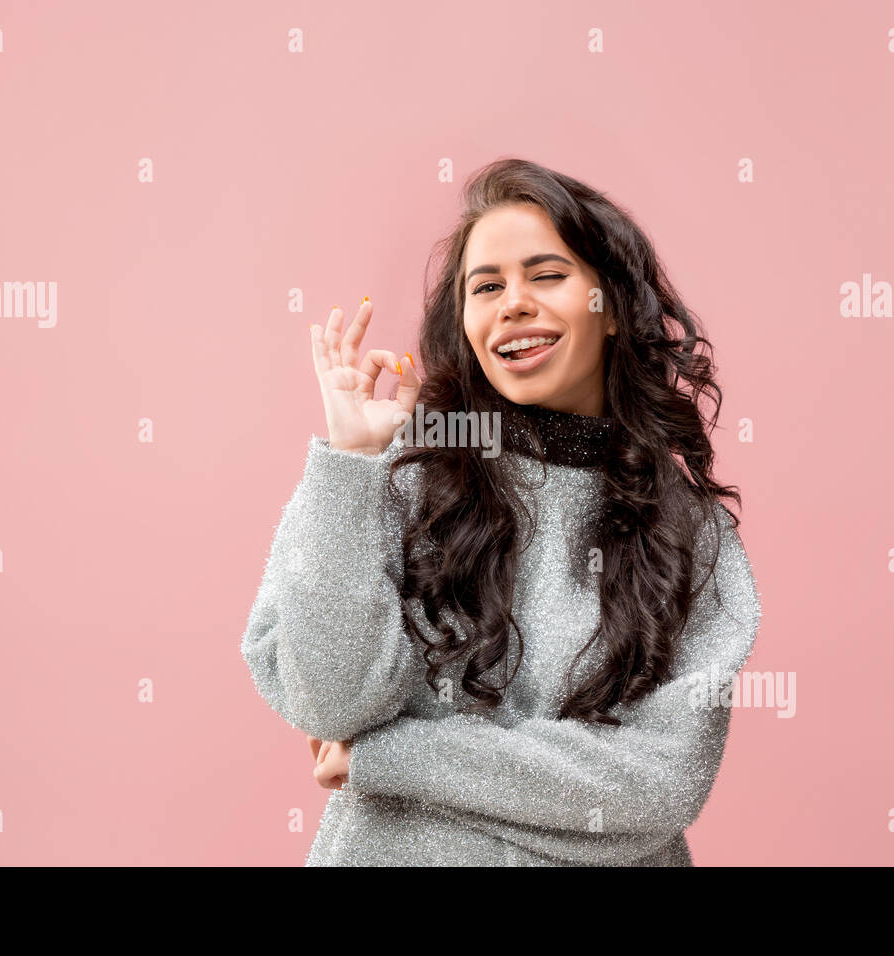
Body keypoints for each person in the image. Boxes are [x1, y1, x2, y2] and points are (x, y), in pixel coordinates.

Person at [241, 157, 763, 866]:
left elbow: (657, 787)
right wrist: (353, 462)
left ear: (611, 307)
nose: (512, 302)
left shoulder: (693, 536)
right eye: (486, 287)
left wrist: (394, 754)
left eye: (546, 275)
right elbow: (330, 701)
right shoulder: (396, 480)